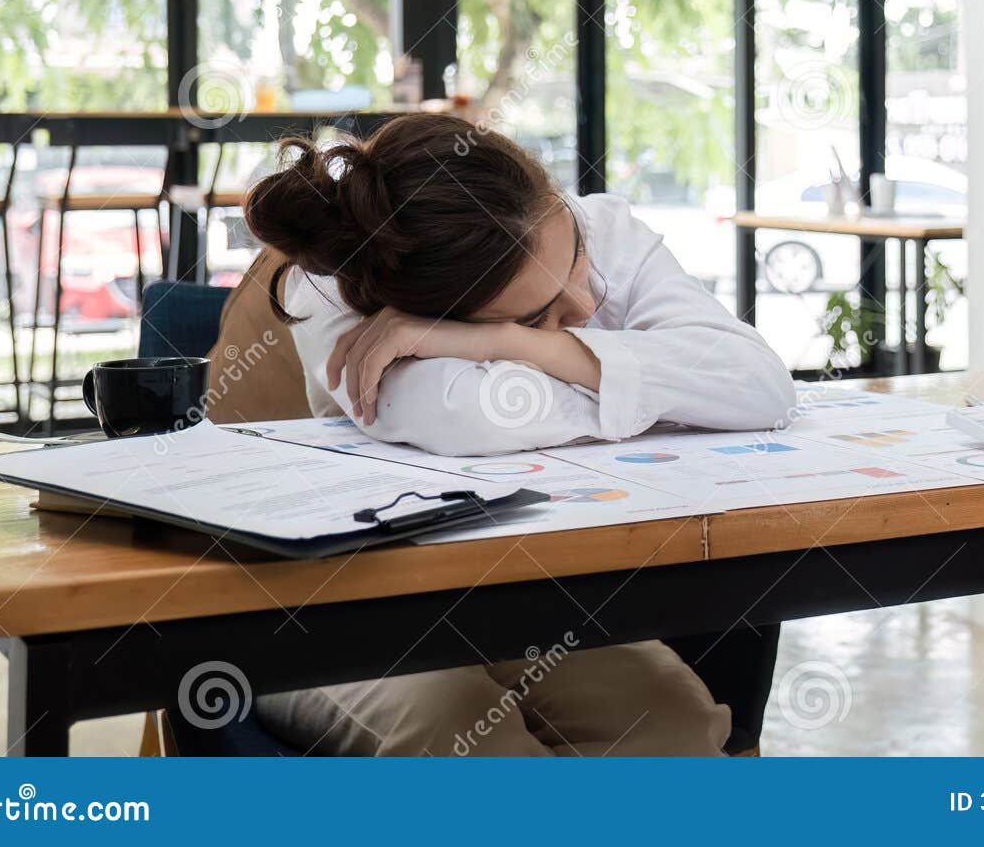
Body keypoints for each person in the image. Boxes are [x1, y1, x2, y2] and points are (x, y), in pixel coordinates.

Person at [240, 113, 796, 756]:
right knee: (467, 740)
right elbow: (473, 417)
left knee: (672, 724)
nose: (585, 310)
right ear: (418, 307)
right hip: (325, 603)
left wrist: (506, 340)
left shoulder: (601, 226)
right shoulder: (333, 290)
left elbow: (760, 383)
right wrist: (656, 392)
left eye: (578, 263)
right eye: (540, 315)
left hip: (514, 600)